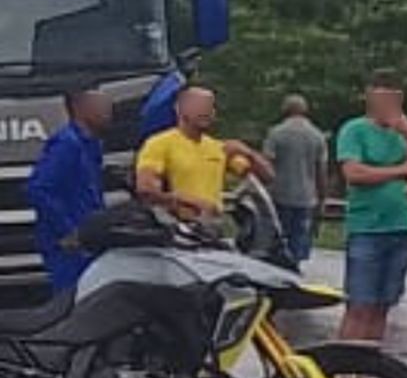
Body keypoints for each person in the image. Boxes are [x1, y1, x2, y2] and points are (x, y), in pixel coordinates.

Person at [335, 70, 407, 345]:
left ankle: (367, 375)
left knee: (383, 306)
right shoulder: (354, 130)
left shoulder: (405, 134)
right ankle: (344, 371)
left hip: (400, 226)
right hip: (367, 228)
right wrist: (400, 170)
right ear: (371, 97)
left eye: (395, 98)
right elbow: (354, 173)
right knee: (360, 305)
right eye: (383, 97)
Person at [135, 86, 273, 221]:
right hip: (177, 228)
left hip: (213, 228)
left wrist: (249, 153)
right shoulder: (159, 143)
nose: (207, 112)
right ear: (179, 109)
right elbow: (146, 190)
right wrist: (189, 202)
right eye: (200, 107)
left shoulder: (218, 147)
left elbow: (266, 177)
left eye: (210, 107)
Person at [26, 87, 114, 292]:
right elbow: (38, 189)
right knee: (72, 301)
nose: (109, 113)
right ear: (80, 108)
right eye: (102, 107)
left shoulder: (92, 146)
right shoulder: (67, 145)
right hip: (69, 245)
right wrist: (67, 230)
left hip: (89, 239)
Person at [263, 94, 329, 264]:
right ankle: (294, 268)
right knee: (299, 240)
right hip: (307, 197)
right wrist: (322, 198)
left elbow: (266, 165)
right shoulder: (317, 135)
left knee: (278, 239)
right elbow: (321, 171)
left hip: (279, 195)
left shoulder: (276, 133)